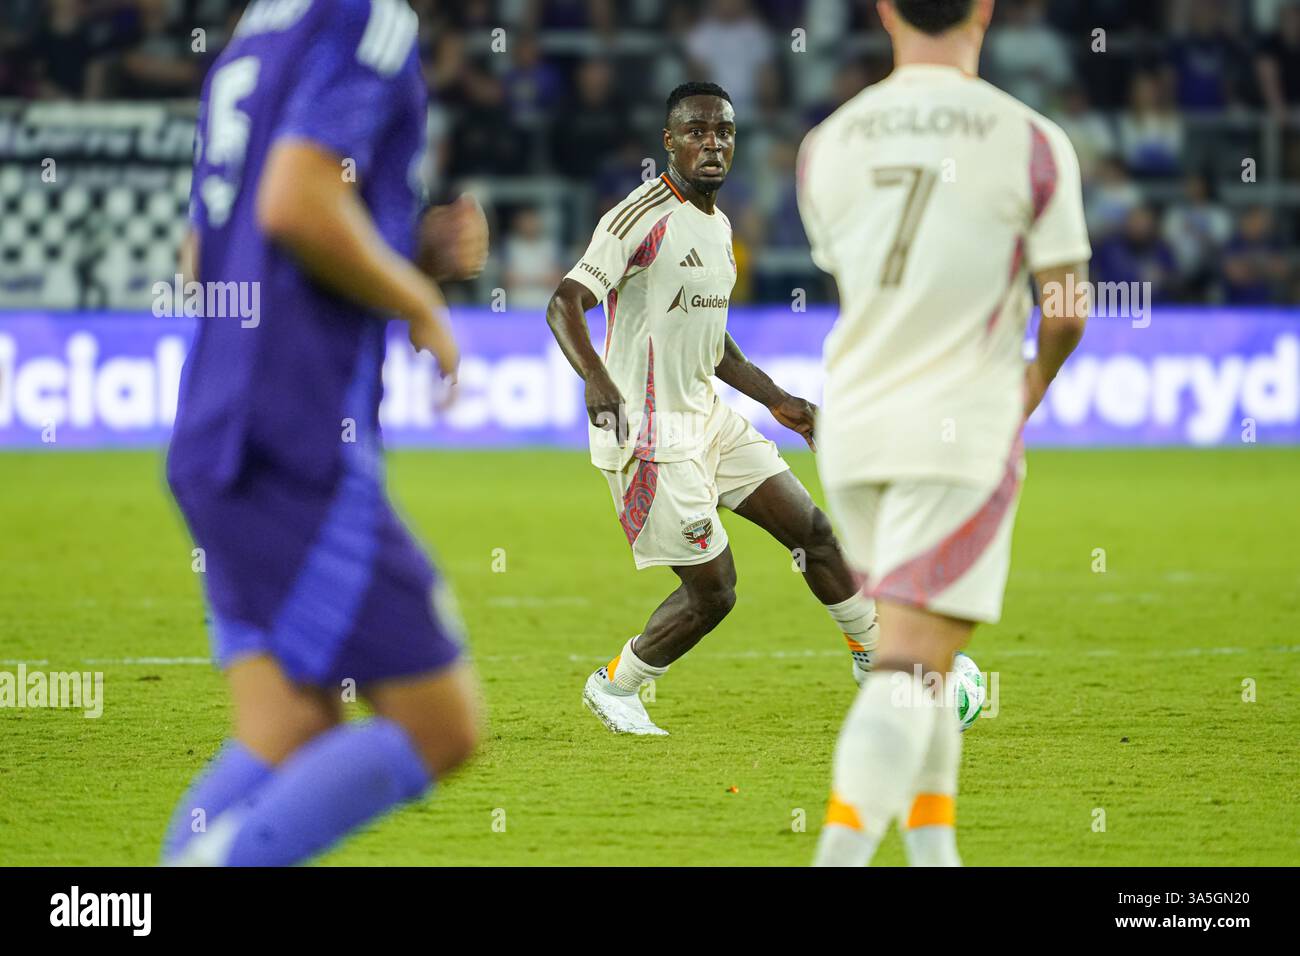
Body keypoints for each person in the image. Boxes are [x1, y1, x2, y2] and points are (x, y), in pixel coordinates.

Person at [162, 0, 487, 866]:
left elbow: (207, 255)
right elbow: (297, 203)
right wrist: (420, 301)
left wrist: (402, 248)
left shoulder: (256, 35)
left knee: (286, 729)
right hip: (295, 432)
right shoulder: (368, 15)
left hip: (217, 423)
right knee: (441, 724)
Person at [797, 0, 1091, 865]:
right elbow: (1067, 310)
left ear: (884, 10)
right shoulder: (1030, 139)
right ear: (986, 9)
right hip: (955, 428)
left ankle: (936, 858)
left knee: (920, 658)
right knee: (914, 667)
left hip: (851, 426)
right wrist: (1027, 386)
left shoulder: (829, 143)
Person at [545, 81, 879, 736]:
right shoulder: (635, 218)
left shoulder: (719, 227)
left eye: (723, 131)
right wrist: (597, 379)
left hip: (709, 418)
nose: (712, 143)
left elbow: (715, 346)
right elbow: (564, 303)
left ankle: (876, 660)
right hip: (649, 436)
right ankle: (617, 683)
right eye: (696, 131)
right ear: (668, 142)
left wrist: (782, 401)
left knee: (811, 533)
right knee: (716, 592)